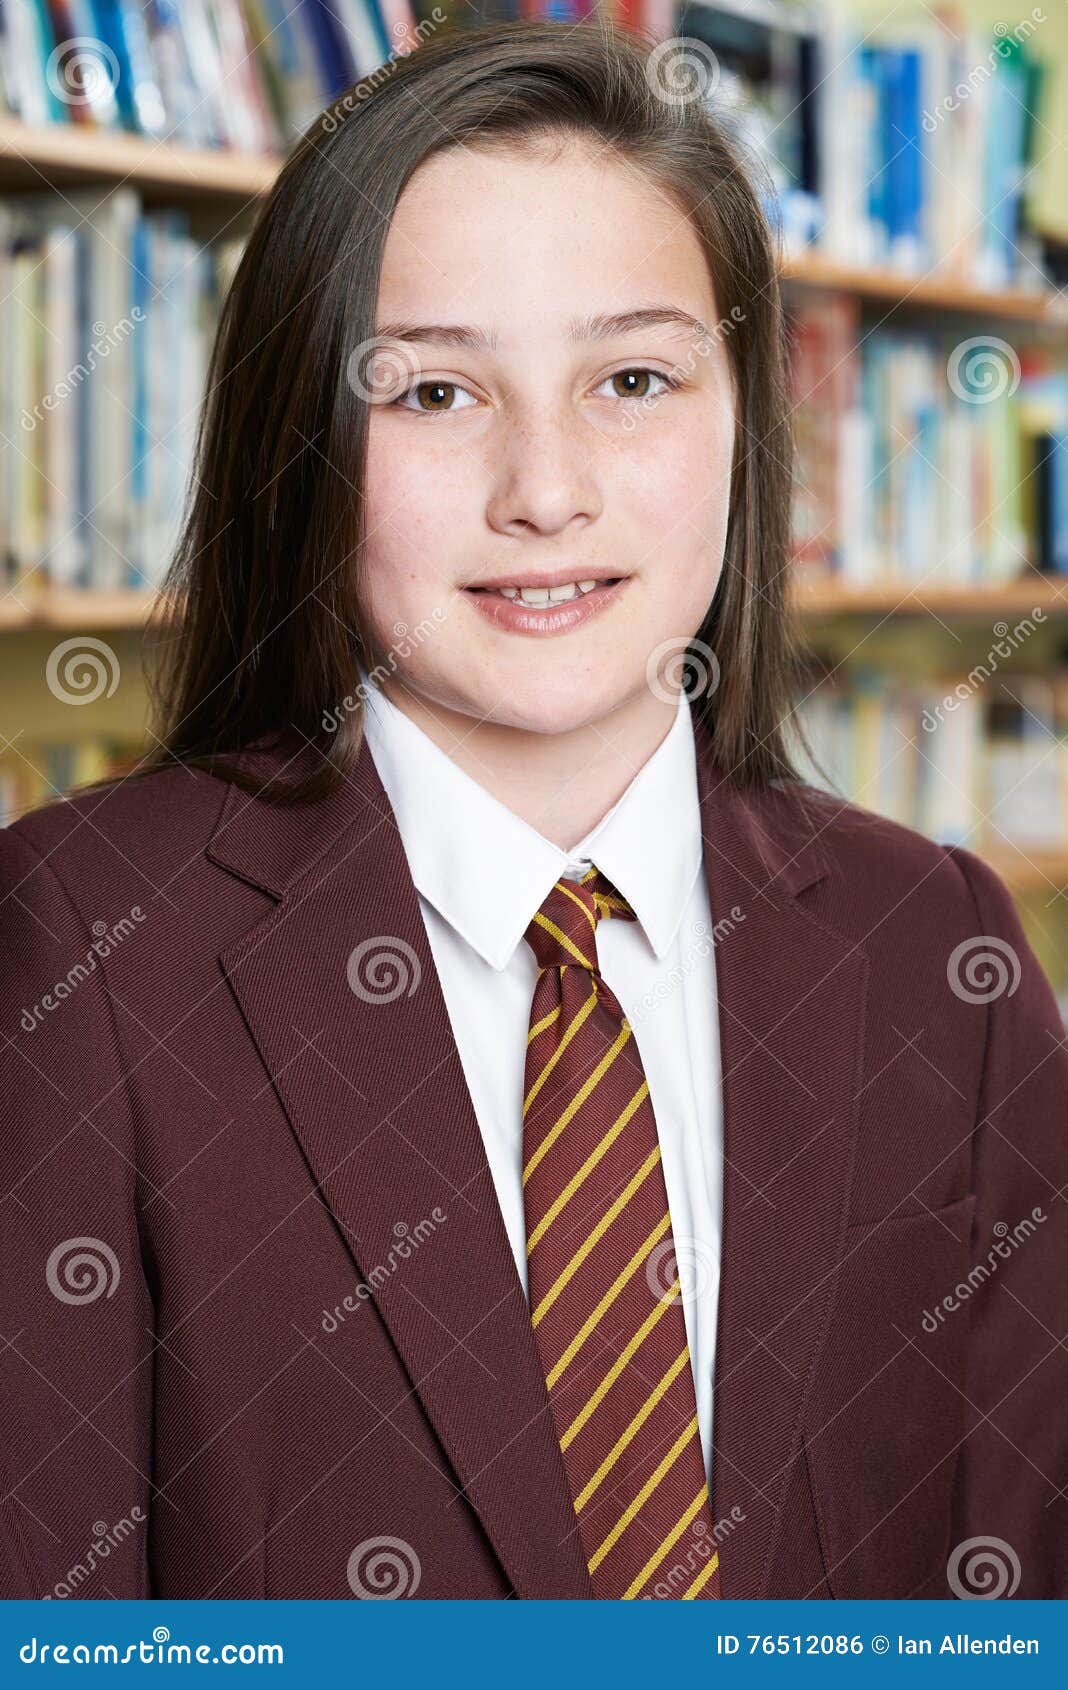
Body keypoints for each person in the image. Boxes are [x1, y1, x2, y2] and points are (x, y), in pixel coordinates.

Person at [1, 19, 1065, 1603]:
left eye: (632, 377)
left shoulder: (942, 946)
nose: (546, 488)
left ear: (746, 420)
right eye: (434, 391)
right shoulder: (81, 945)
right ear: (304, 437)